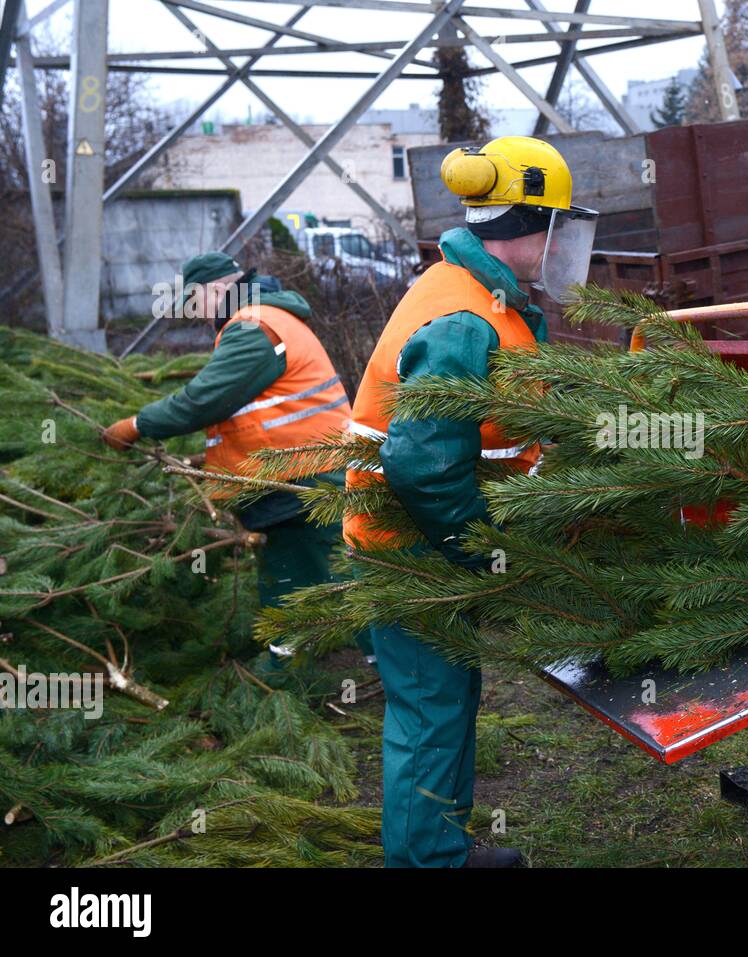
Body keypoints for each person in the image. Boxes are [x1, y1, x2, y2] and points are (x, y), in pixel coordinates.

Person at [344, 136, 599, 868]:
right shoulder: (463, 316)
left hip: (425, 547)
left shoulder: (488, 298)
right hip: (412, 554)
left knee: (449, 698)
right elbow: (423, 461)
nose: (565, 245)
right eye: (560, 227)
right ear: (529, 225)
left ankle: (441, 845)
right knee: (431, 707)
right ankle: (430, 861)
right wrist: (485, 552)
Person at [102, 252, 371, 667]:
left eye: (196, 301)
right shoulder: (264, 320)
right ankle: (299, 666)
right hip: (296, 478)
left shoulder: (253, 327)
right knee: (297, 576)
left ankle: (392, 671)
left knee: (327, 576)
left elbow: (202, 400)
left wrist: (137, 425)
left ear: (215, 289)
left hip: (304, 478)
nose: (199, 315)